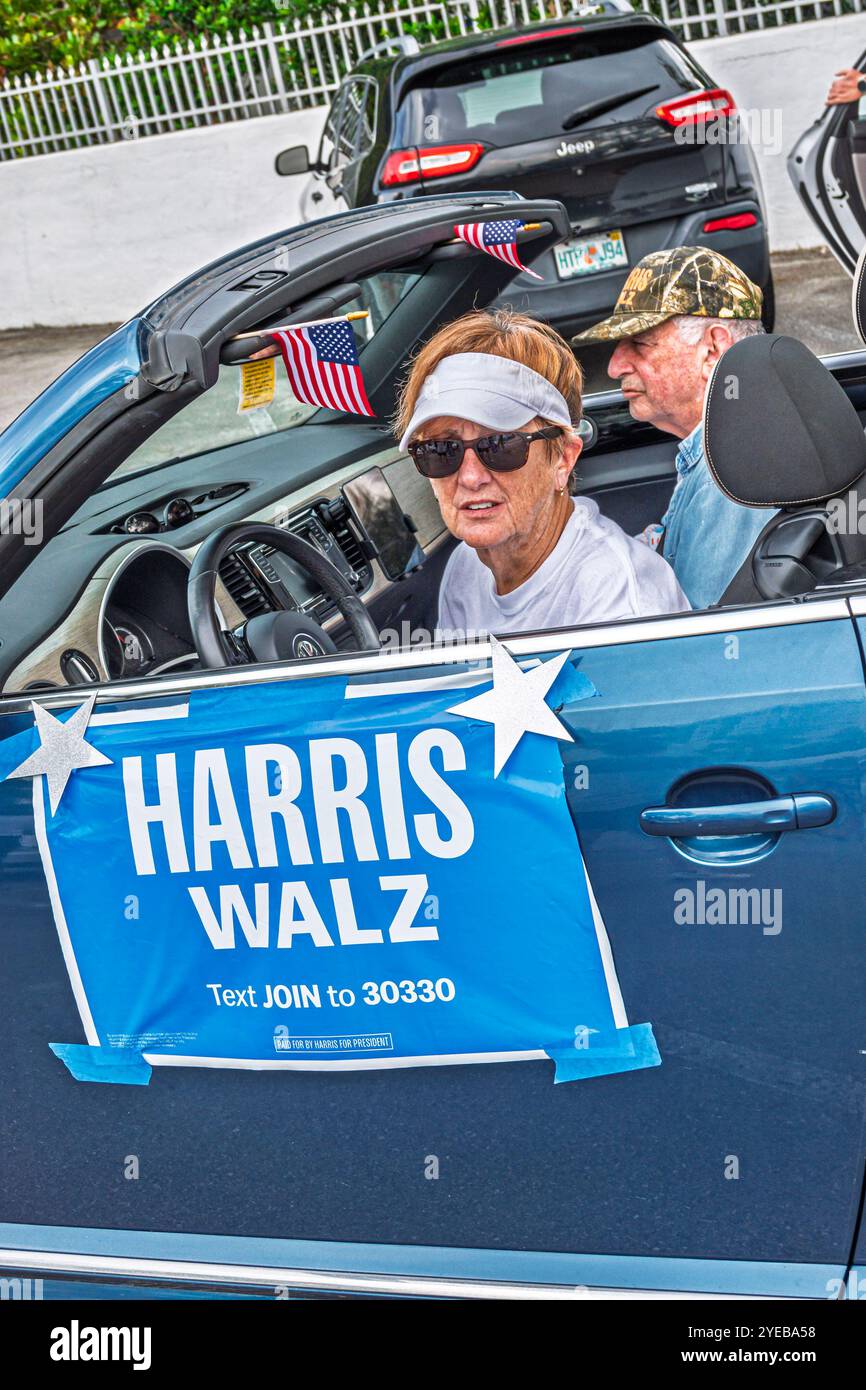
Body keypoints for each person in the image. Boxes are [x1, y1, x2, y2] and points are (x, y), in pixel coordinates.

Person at [394, 309, 689, 641]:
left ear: (562, 459)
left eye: (500, 445)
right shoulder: (467, 565)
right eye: (440, 450)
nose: (471, 477)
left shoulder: (619, 608)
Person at [573, 246, 772, 609]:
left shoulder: (733, 474)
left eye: (640, 344)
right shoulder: (725, 442)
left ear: (712, 349)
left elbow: (692, 636)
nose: (616, 367)